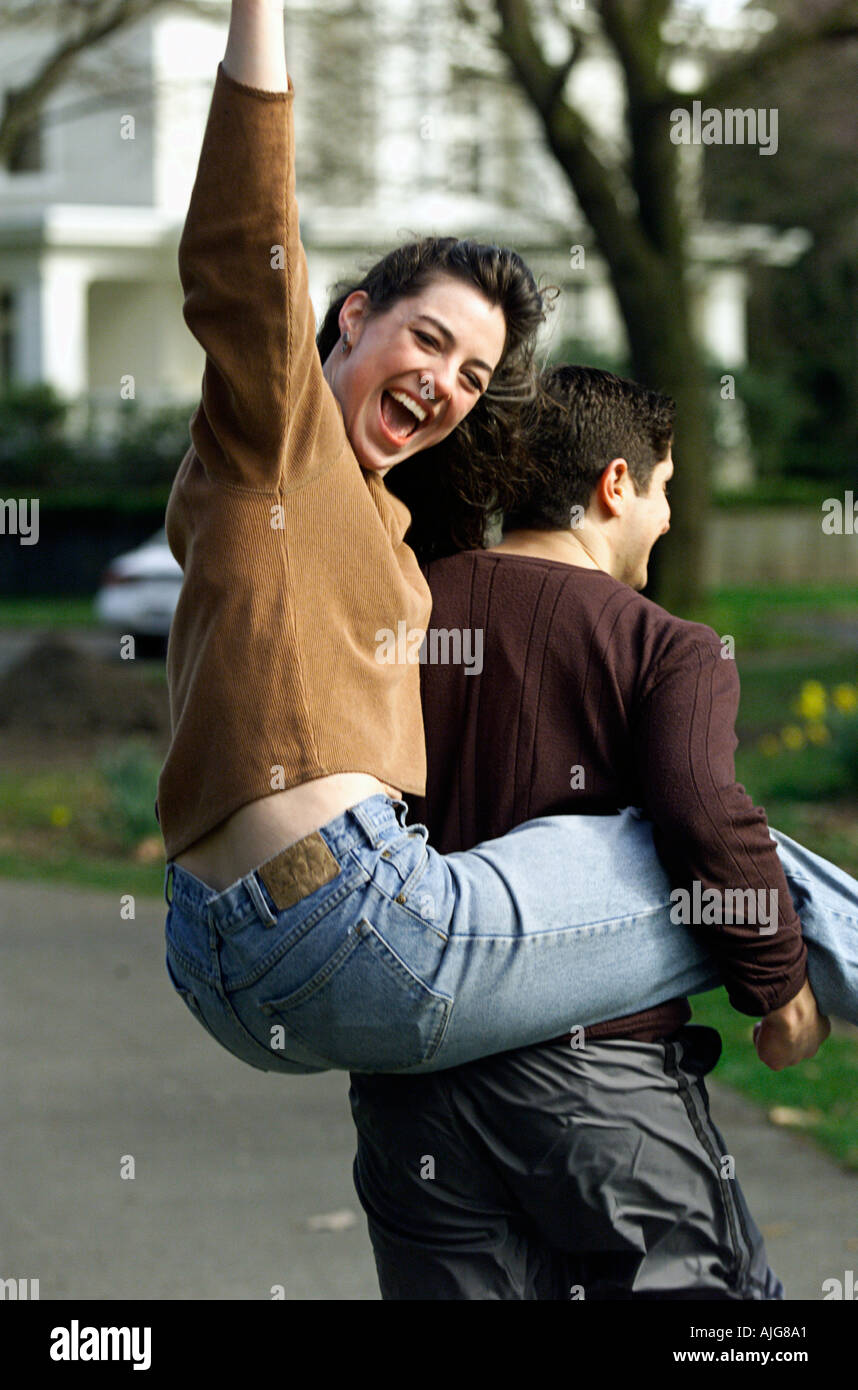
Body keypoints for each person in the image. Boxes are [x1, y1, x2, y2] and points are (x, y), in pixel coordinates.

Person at [161, 0, 857, 1079]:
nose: (444, 382)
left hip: (224, 960)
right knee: (707, 847)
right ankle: (797, 990)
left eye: (473, 376)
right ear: (351, 318)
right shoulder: (277, 438)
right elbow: (240, 245)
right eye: (427, 338)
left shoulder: (377, 536)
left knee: (617, 844)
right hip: (344, 926)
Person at [347, 365, 840, 1300]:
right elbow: (702, 807)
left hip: (413, 1086)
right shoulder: (662, 645)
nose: (664, 518)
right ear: (615, 485)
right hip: (596, 1080)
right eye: (662, 490)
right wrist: (780, 989)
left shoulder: (404, 615)